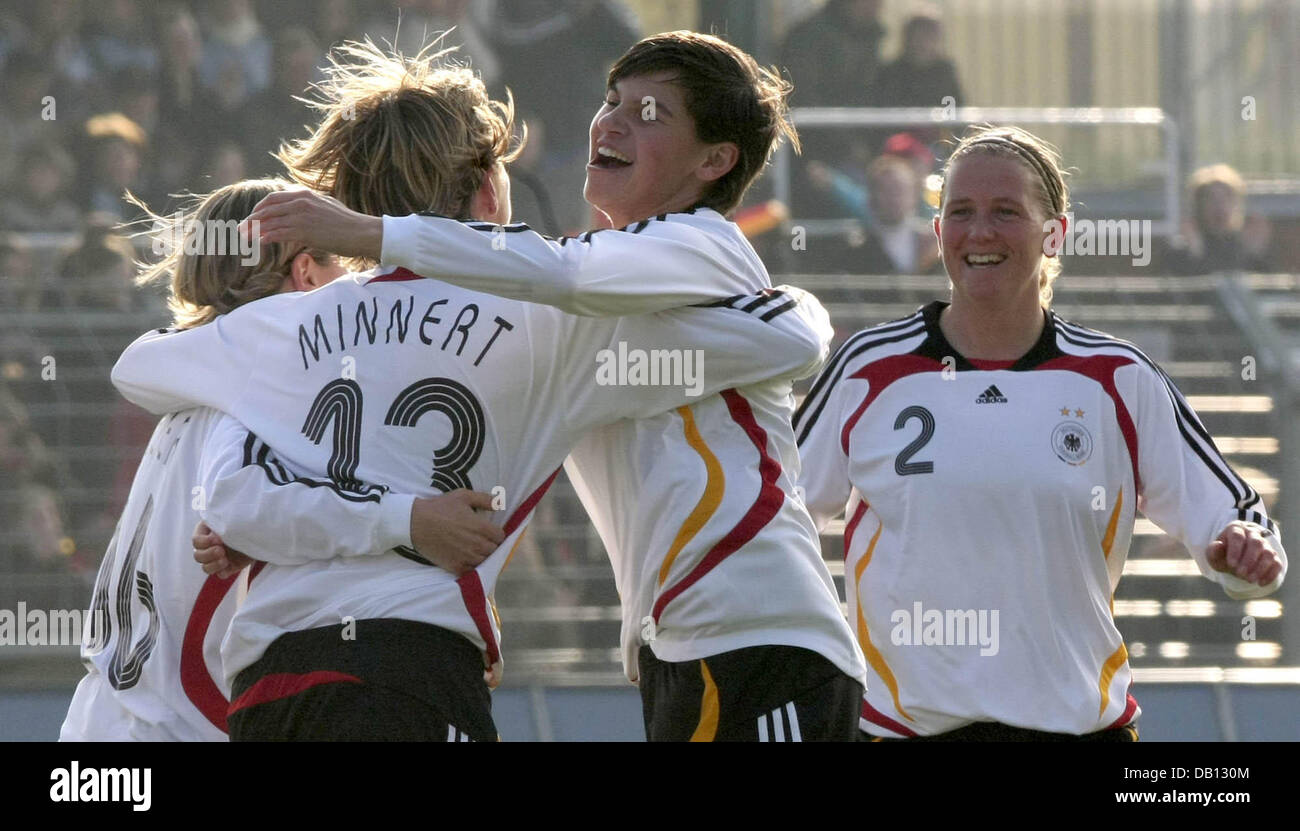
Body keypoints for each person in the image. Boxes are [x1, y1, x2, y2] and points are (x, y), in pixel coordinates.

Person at [110, 40, 837, 742]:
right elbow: (776, 341)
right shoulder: (549, 325)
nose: (612, 121)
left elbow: (140, 368)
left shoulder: (280, 324)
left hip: (272, 681)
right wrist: (798, 308)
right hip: (416, 671)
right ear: (490, 192)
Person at [792, 126, 1288, 741]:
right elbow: (780, 516)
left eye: (1007, 212)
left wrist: (1243, 553)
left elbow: (1232, 516)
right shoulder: (869, 368)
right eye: (961, 212)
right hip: (903, 732)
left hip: (1078, 731)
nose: (981, 232)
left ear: (1054, 232)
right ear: (938, 228)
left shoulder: (1115, 379)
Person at [61, 178, 505, 740]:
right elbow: (262, 509)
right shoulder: (265, 400)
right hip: (178, 728)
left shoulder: (186, 400)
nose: (353, 284)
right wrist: (413, 525)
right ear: (305, 274)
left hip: (94, 724)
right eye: (340, 263)